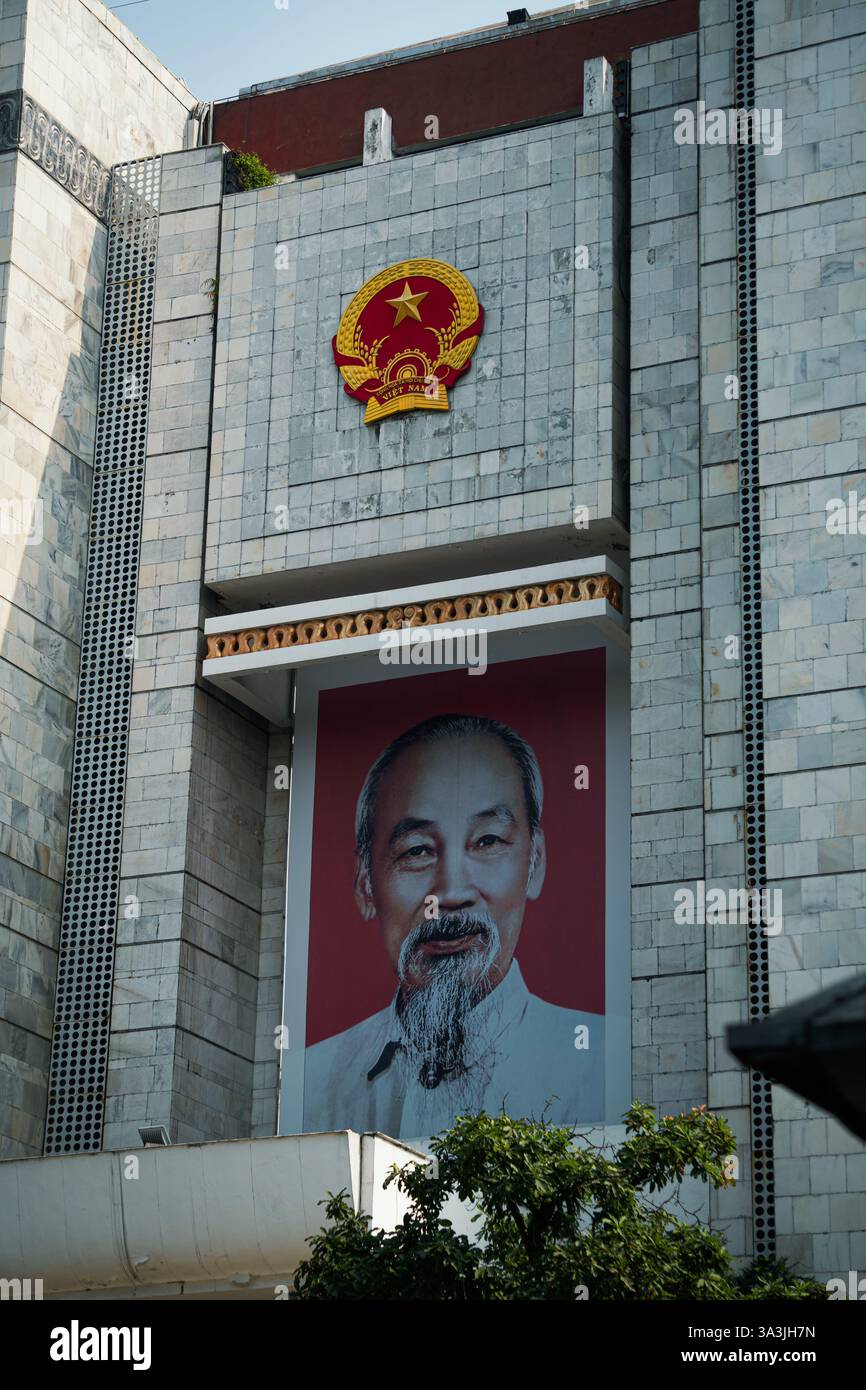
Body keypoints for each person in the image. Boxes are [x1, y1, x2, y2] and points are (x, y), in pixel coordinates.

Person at [303, 713, 604, 1138]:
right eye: (417, 850)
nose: (451, 892)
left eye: (488, 841)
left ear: (535, 862)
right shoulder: (309, 1082)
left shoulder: (601, 1064)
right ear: (365, 883)